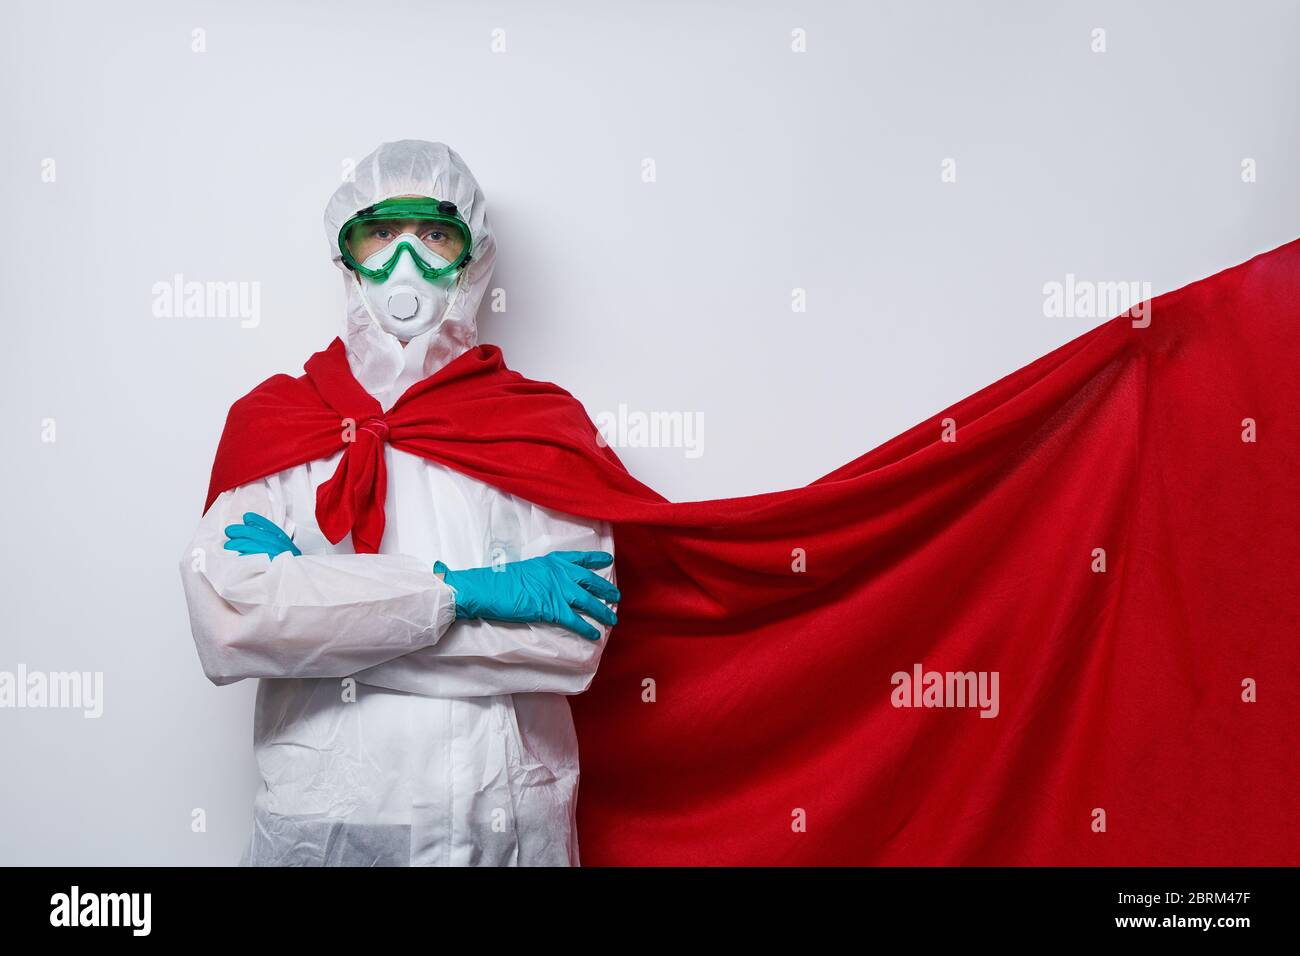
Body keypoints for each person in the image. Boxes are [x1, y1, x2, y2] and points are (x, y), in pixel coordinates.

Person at [179, 140, 620, 867]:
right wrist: (467, 594)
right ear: (347, 256)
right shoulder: (276, 421)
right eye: (382, 234)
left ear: (472, 259)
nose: (405, 264)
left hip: (504, 822)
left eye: (435, 235)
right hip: (330, 824)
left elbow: (573, 646)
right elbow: (228, 626)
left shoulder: (543, 427)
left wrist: (317, 624)